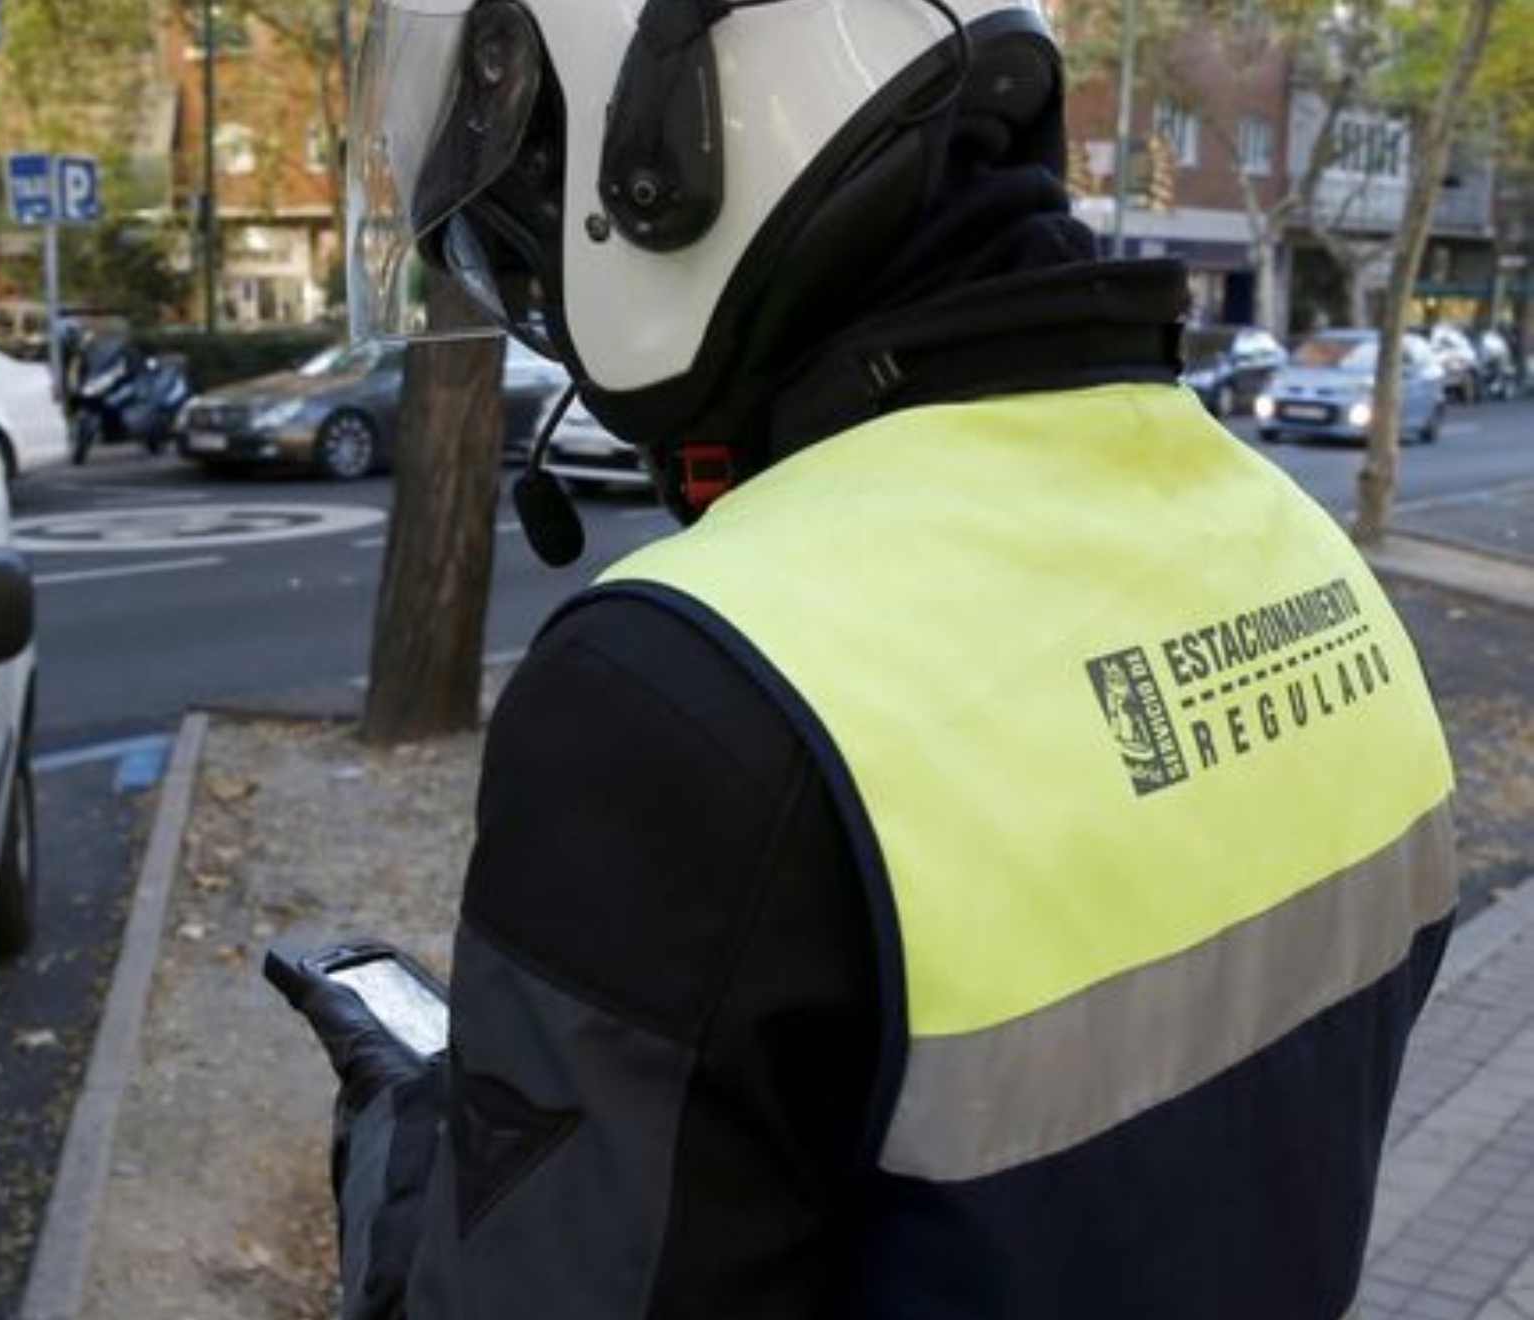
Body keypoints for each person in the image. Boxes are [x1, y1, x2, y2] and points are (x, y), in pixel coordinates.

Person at [271, 2, 1458, 1317]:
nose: (540, 307)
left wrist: (411, 1148)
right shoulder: (1312, 565)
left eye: (520, 251)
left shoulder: (676, 698)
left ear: (658, 165)